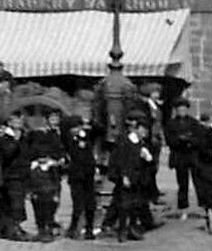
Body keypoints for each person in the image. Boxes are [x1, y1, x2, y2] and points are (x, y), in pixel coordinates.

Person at [107, 111, 154, 241]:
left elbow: (147, 163)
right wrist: (124, 176)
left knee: (135, 204)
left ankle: (132, 229)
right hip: (127, 177)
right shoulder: (126, 142)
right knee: (124, 205)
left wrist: (148, 158)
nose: (145, 133)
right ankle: (122, 230)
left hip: (138, 179)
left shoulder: (142, 144)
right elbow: (121, 160)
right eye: (143, 129)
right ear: (137, 129)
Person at [24, 109, 67, 242]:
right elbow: (33, 150)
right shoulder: (40, 133)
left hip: (54, 171)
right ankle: (43, 228)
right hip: (41, 171)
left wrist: (61, 160)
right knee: (40, 200)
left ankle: (49, 224)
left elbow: (62, 150)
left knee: (53, 200)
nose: (55, 119)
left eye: (56, 117)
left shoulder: (61, 133)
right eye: (52, 117)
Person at [0, 110, 30, 241]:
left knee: (17, 201)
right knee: (15, 202)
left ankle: (12, 227)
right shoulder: (5, 138)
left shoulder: (24, 136)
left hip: (23, 173)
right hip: (11, 175)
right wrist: (16, 141)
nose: (18, 123)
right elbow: (7, 153)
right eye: (15, 121)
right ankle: (14, 228)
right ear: (10, 123)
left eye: (20, 120)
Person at [62, 114, 98, 240]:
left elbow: (100, 130)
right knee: (78, 203)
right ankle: (73, 228)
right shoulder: (67, 139)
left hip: (88, 173)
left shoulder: (86, 136)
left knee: (90, 203)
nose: (78, 129)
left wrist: (90, 121)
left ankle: (89, 228)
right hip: (76, 174)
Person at [165, 98, 201, 216]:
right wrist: (180, 140)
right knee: (182, 182)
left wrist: (189, 140)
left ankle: (202, 203)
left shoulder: (193, 122)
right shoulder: (171, 123)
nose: (182, 111)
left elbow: (199, 138)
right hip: (179, 155)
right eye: (179, 109)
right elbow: (169, 140)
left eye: (184, 109)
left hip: (192, 155)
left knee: (198, 180)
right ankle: (183, 204)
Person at [139, 83, 166, 204]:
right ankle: (151, 193)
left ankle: (153, 191)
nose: (157, 94)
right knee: (151, 166)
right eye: (155, 92)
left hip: (156, 138)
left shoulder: (156, 106)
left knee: (154, 165)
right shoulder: (147, 106)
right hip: (151, 139)